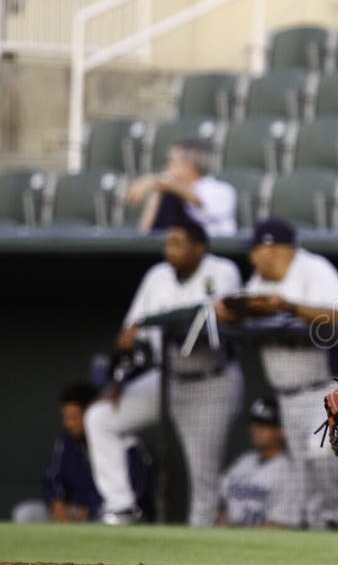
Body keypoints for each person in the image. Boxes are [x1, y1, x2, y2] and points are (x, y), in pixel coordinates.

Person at [85, 218, 243, 526]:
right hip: (166, 378)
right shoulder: (157, 276)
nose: (169, 250)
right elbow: (132, 334)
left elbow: (207, 314)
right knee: (100, 418)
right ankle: (120, 507)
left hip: (211, 382)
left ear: (199, 248)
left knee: (204, 478)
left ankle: (202, 544)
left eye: (177, 244)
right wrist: (121, 381)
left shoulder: (222, 271)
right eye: (168, 243)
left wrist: (151, 321)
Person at [216, 218, 338, 529]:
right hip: (288, 394)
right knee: (303, 470)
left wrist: (288, 307)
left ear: (274, 250)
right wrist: (228, 311)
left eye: (255, 251)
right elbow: (238, 312)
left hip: (327, 386)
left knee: (322, 453)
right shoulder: (259, 282)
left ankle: (335, 521)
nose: (252, 258)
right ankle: (318, 531)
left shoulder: (315, 270)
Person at [12, 383, 152, 523]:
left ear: (90, 413)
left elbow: (135, 493)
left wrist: (91, 509)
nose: (68, 424)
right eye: (66, 417)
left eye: (74, 417)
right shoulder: (66, 443)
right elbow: (52, 479)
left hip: (109, 513)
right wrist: (57, 502)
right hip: (73, 510)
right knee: (26, 513)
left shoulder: (126, 443)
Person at [217, 397, 304, 528]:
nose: (256, 430)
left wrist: (235, 533)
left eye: (264, 425)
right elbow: (217, 499)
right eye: (255, 424)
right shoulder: (243, 462)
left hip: (260, 539)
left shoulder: (289, 472)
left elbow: (281, 525)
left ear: (282, 431)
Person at [126, 137, 238, 237]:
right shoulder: (169, 192)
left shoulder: (221, 190)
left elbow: (199, 203)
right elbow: (145, 233)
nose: (167, 168)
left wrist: (157, 182)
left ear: (187, 166)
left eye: (171, 162)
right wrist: (158, 191)